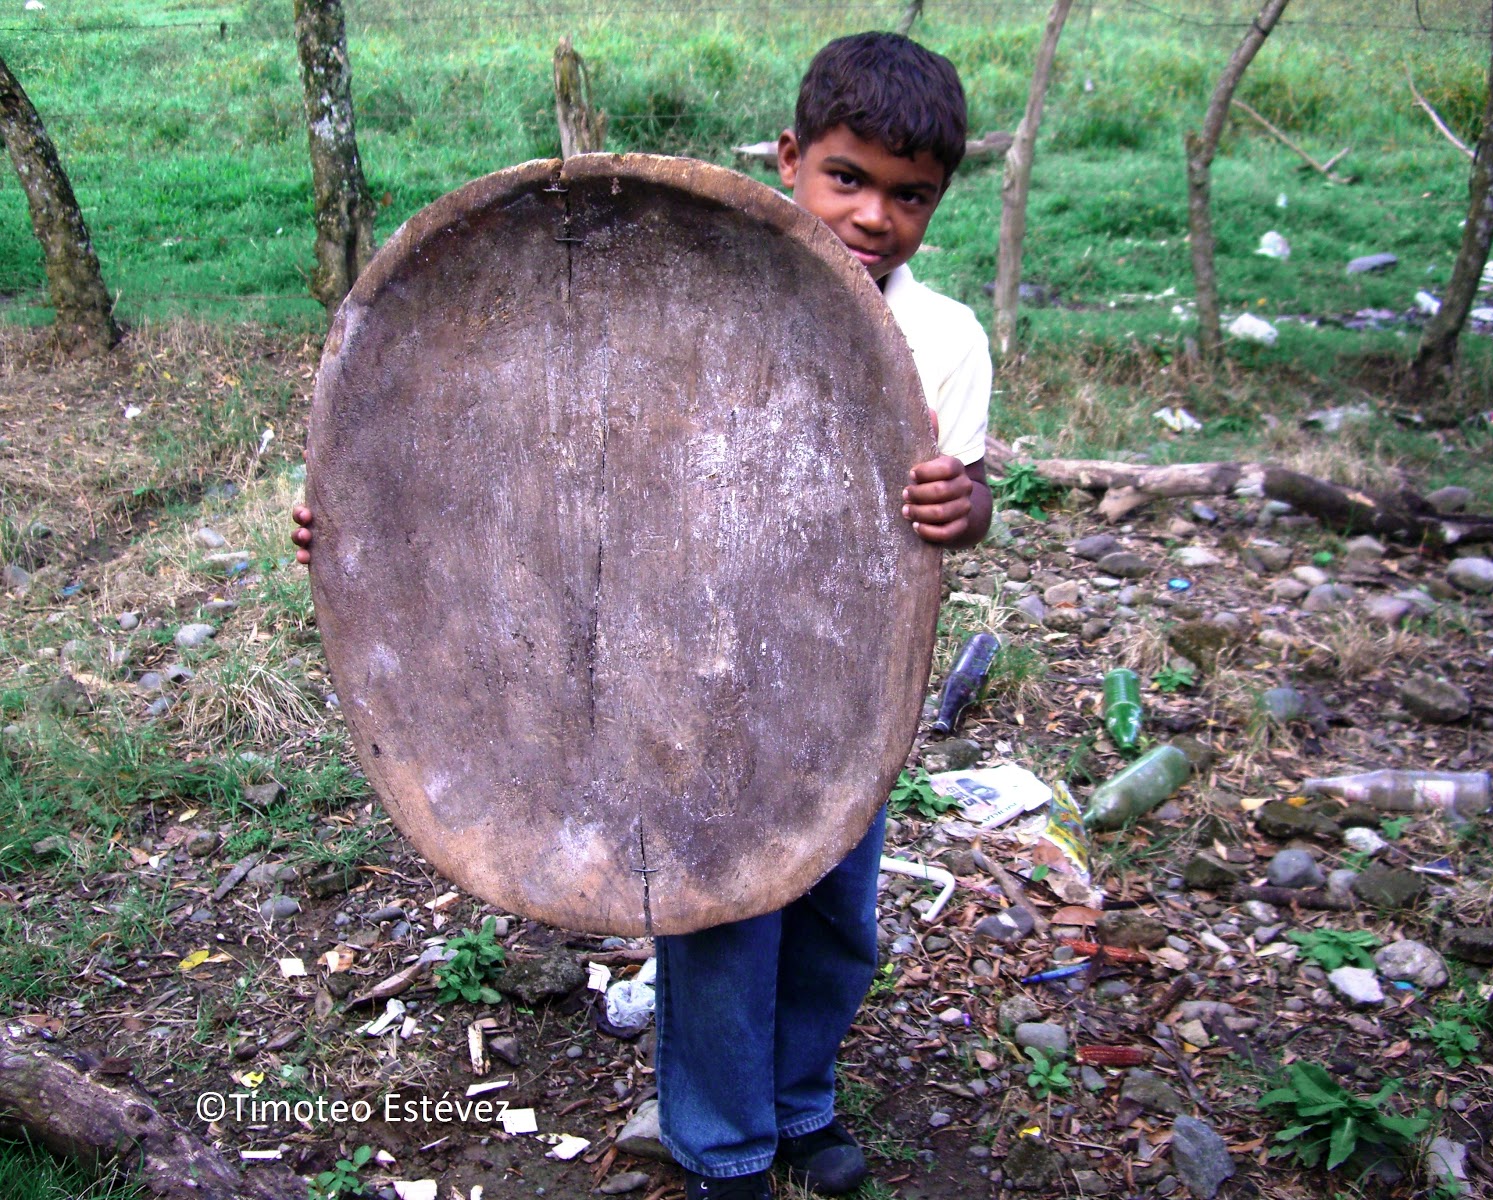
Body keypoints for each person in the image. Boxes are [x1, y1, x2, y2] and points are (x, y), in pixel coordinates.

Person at [293, 31, 991, 1200]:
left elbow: (950, 516)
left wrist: (963, 506)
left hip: (837, 700)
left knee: (835, 927)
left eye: (908, 196)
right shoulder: (669, 297)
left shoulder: (943, 340)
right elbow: (516, 464)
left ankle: (800, 1102)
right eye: (847, 179)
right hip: (683, 694)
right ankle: (722, 1150)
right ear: (788, 158)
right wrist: (351, 529)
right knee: (716, 925)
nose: (873, 216)